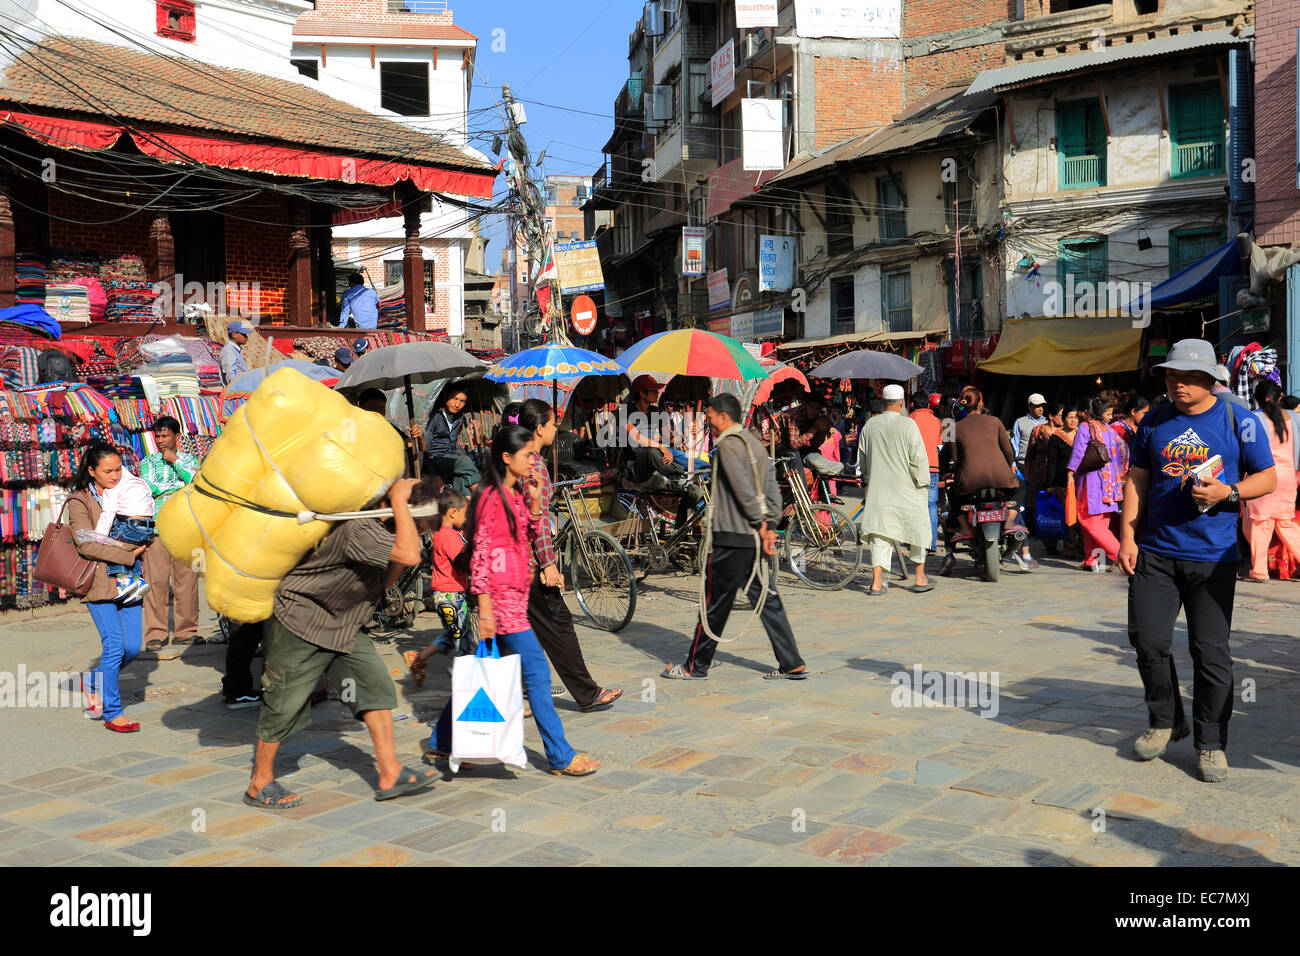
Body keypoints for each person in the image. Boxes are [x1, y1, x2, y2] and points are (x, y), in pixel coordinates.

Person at [1119, 339, 1276, 784]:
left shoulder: (1238, 420)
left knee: (1210, 653)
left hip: (1213, 557)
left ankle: (1210, 742)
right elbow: (1137, 478)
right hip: (1156, 551)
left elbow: (1268, 476)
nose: (1178, 383)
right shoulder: (1154, 421)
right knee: (1148, 641)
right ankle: (1166, 720)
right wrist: (1127, 535)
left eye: (1188, 377)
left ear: (1212, 379)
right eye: (1172, 375)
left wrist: (1228, 493)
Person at [244, 476, 440, 809]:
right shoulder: (360, 529)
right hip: (301, 621)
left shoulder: (388, 530)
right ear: (392, 508)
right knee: (284, 702)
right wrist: (400, 500)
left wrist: (405, 512)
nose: (421, 531)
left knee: (375, 687)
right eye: (418, 523)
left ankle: (390, 771)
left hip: (345, 624)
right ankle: (259, 782)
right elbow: (408, 555)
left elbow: (390, 575)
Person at [425, 426, 600, 776]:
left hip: (517, 598)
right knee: (536, 672)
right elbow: (481, 558)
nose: (533, 463)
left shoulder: (519, 493)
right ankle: (560, 755)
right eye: (526, 456)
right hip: (501, 605)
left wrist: (535, 504)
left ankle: (441, 742)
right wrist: (486, 610)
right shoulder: (490, 499)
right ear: (507, 458)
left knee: (483, 669)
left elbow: (532, 534)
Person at [664, 393, 807, 681]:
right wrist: (768, 524)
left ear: (723, 416)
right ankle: (791, 661)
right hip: (753, 537)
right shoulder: (755, 442)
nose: (707, 420)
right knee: (767, 598)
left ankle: (695, 666)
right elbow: (771, 489)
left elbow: (743, 490)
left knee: (714, 605)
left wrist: (761, 522)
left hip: (731, 537)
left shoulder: (728, 446)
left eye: (709, 415)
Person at [508, 399, 623, 711]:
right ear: (539, 429)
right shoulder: (533, 466)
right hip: (529, 563)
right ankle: (586, 693)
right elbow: (537, 520)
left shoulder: (511, 459)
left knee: (519, 629)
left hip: (508, 561)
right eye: (551, 423)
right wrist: (547, 562)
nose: (556, 428)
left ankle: (518, 689)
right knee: (558, 625)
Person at [66, 442, 150, 732]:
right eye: (108, 471)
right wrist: (128, 552)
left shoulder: (126, 491)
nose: (115, 475)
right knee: (114, 645)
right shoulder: (80, 501)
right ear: (91, 471)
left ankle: (92, 681)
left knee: (132, 647)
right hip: (98, 582)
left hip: (130, 578)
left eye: (118, 469)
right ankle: (113, 712)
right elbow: (87, 543)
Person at [859, 385, 934, 595]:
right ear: (902, 403)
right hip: (907, 489)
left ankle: (876, 583)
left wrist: (869, 477)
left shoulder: (870, 426)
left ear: (883, 403)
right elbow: (918, 460)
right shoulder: (909, 425)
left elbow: (863, 461)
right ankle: (919, 578)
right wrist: (922, 482)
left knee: (879, 534)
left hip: (879, 490)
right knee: (918, 530)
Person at [137, 415, 201, 651]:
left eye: (166, 436)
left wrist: (176, 461)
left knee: (187, 582)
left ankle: (186, 631)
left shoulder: (190, 460)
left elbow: (198, 482)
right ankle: (156, 633)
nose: (161, 440)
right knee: (156, 582)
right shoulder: (148, 462)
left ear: (177, 436)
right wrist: (178, 487)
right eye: (158, 436)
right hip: (157, 529)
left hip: (186, 529)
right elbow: (148, 487)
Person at [405, 488, 470, 679]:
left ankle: (417, 659)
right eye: (464, 513)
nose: (465, 517)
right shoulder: (449, 536)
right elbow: (462, 563)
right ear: (452, 512)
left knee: (452, 635)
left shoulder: (444, 532)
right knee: (463, 640)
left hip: (444, 595)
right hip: (452, 596)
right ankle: (460, 675)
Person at [1241, 380, 1300, 581]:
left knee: (1260, 525)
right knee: (1286, 524)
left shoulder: (1254, 418)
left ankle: (1259, 570)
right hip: (1288, 477)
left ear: (1258, 397)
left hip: (1264, 476)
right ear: (1278, 397)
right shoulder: (1292, 417)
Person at [1067, 399, 1128, 571]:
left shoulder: (1086, 427)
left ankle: (1121, 555)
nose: (1110, 417)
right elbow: (1124, 450)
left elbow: (1078, 451)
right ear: (1100, 413)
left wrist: (1070, 471)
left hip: (1092, 482)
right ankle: (1091, 560)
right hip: (1111, 485)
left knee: (1090, 523)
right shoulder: (1109, 430)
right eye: (1108, 414)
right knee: (1099, 525)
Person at [93, 460, 156, 603]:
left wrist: (98, 537)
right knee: (130, 549)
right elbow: (151, 504)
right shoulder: (139, 482)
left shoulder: (113, 487)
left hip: (131, 525)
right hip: (148, 527)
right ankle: (137, 580)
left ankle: (123, 579)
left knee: (113, 545)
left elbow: (108, 514)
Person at [424, 385, 480, 497]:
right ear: (446, 397)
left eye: (462, 401)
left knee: (462, 480)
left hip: (451, 457)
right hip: (435, 458)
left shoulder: (459, 417)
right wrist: (434, 473)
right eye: (454, 398)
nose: (457, 404)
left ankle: (464, 507)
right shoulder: (435, 416)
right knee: (464, 461)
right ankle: (483, 499)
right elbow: (426, 448)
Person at [1025, 403, 1064, 554]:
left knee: (1059, 505)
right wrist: (1028, 473)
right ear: (1051, 416)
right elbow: (1030, 454)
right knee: (1043, 508)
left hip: (1058, 474)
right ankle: (1049, 542)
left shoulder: (1066, 432)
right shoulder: (1038, 430)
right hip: (1039, 474)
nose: (1064, 419)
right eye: (1061, 415)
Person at [910, 390, 943, 547]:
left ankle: (915, 542)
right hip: (933, 467)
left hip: (915, 467)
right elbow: (939, 445)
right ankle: (931, 543)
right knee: (931, 505)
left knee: (914, 504)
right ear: (928, 405)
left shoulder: (910, 420)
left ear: (912, 404)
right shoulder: (936, 421)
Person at [1012, 393, 1048, 467]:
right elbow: (1014, 444)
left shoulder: (1047, 423)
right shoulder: (1020, 422)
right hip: (1022, 464)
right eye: (1037, 406)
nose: (1041, 409)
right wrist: (1013, 463)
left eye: (1042, 406)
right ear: (1030, 406)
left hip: (1041, 467)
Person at [219, 320, 252, 386]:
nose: (246, 337)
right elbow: (230, 375)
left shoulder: (234, 350)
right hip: (236, 391)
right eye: (243, 334)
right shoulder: (229, 351)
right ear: (234, 334)